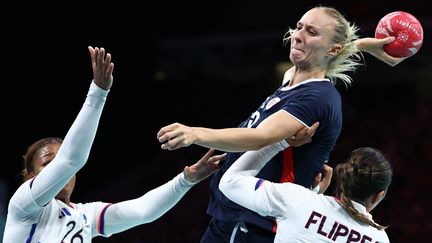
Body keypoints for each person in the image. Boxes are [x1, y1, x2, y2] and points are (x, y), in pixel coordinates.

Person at [156, 6, 404, 243]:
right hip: (237, 216)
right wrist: (362, 46)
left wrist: (195, 133)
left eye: (311, 32)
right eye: (299, 27)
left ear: (332, 49)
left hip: (253, 224)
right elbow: (329, 53)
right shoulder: (293, 79)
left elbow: (261, 137)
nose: (297, 36)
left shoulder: (319, 98)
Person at [2, 46, 225, 243]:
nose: (58, 168)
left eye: (57, 161)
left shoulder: (86, 215)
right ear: (31, 177)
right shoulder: (23, 206)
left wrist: (187, 179)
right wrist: (98, 93)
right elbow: (70, 160)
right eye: (47, 163)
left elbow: (142, 211)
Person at [219, 142, 393, 243]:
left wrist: (279, 141)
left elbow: (230, 183)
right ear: (379, 195)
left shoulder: (297, 199)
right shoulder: (379, 239)